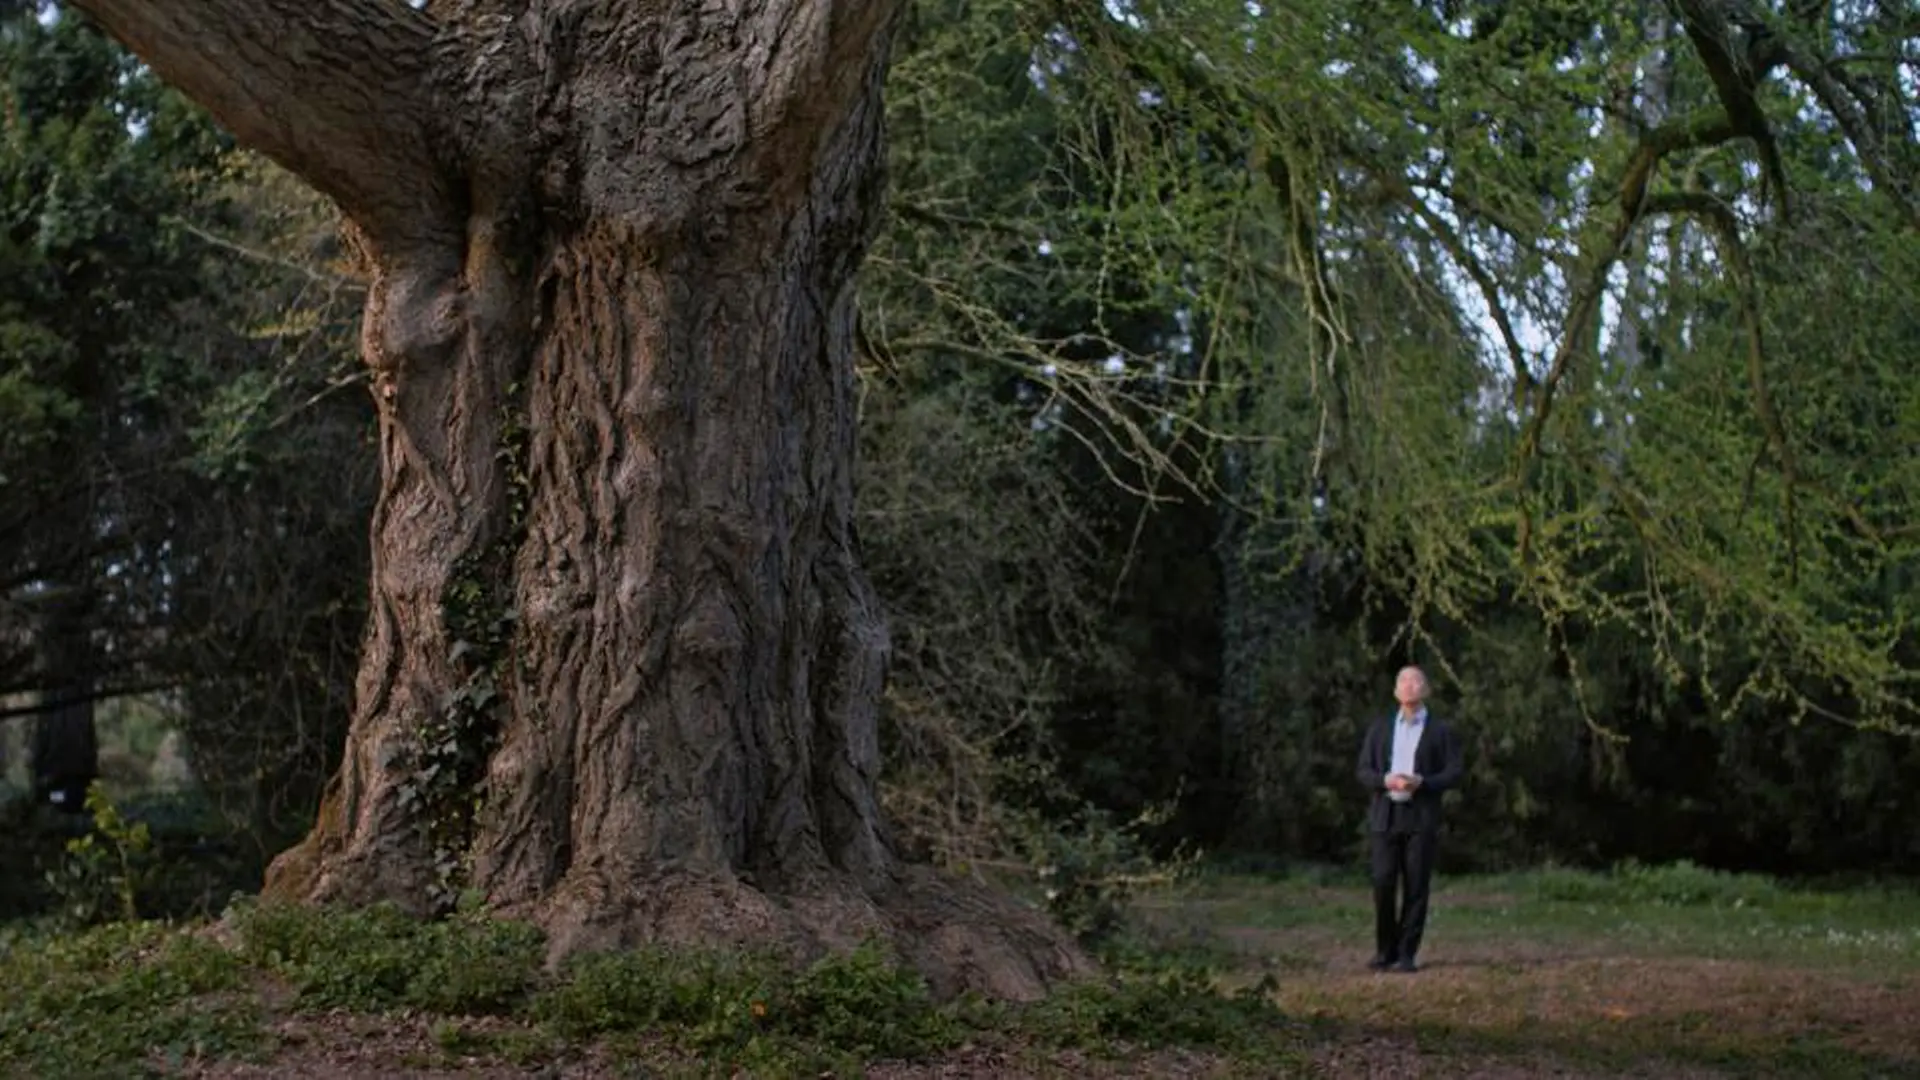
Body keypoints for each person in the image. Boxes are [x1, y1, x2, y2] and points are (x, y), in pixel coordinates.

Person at [1354, 665, 1464, 973]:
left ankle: (1406, 954)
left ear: (1426, 689)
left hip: (1421, 816)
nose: (1409, 685)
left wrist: (1422, 783)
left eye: (1416, 680)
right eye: (1402, 679)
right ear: (1395, 690)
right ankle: (1384, 950)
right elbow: (1363, 771)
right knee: (1383, 881)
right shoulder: (1379, 728)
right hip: (1385, 814)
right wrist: (1386, 781)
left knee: (1416, 885)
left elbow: (1454, 772)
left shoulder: (1441, 731)